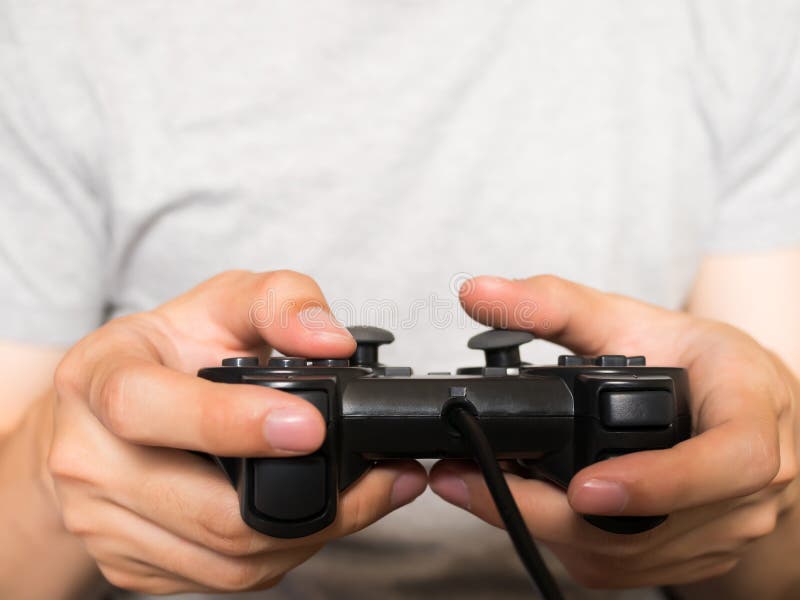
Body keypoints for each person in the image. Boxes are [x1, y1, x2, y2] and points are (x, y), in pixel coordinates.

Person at [1, 2, 799, 599]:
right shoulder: (59, 32)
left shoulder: (738, 25)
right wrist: (50, 476)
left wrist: (758, 472)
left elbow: (766, 563)